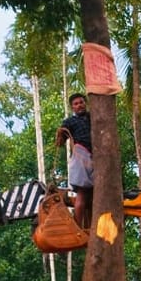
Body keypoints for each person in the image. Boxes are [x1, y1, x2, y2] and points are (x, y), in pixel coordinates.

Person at [55, 92, 93, 228]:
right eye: (76, 104)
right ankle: (77, 226)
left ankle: (89, 228)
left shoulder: (92, 117)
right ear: (73, 108)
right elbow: (59, 142)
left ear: (85, 103)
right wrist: (60, 134)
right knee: (82, 194)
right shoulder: (70, 122)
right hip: (80, 157)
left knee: (92, 196)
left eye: (81, 102)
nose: (80, 105)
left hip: (94, 159)